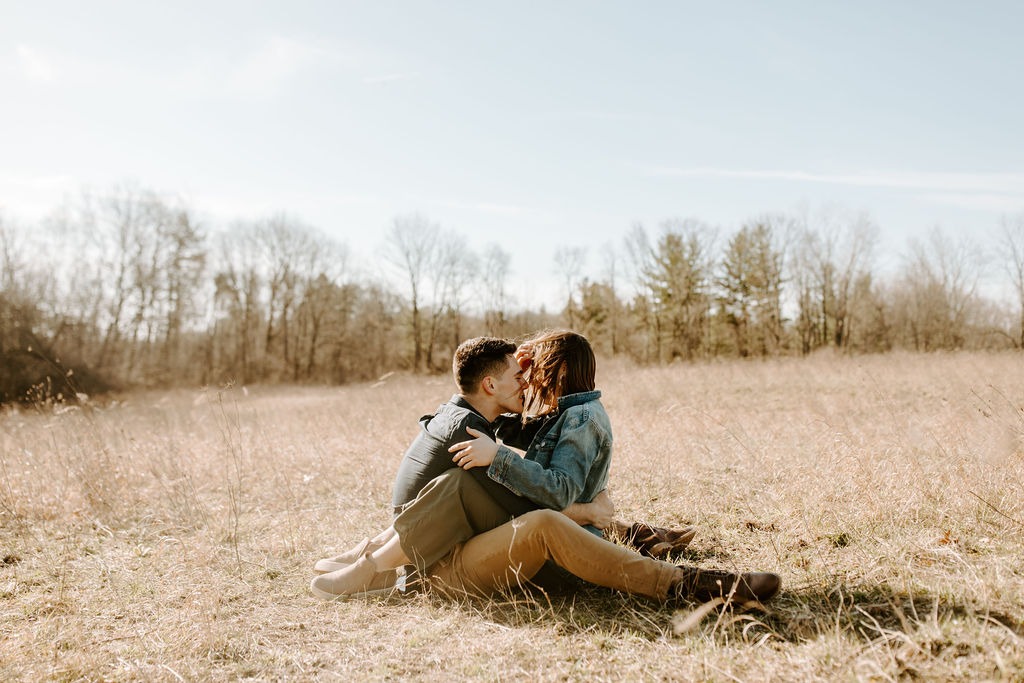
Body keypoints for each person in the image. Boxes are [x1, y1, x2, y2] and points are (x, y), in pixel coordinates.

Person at [311, 332, 781, 605]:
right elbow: (531, 503)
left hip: (449, 550)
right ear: (491, 383)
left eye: (532, 372)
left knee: (474, 491)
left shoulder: (471, 425)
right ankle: (688, 585)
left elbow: (518, 463)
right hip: (435, 570)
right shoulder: (470, 437)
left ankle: (365, 567)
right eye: (519, 375)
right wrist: (594, 513)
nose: (527, 381)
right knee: (541, 522)